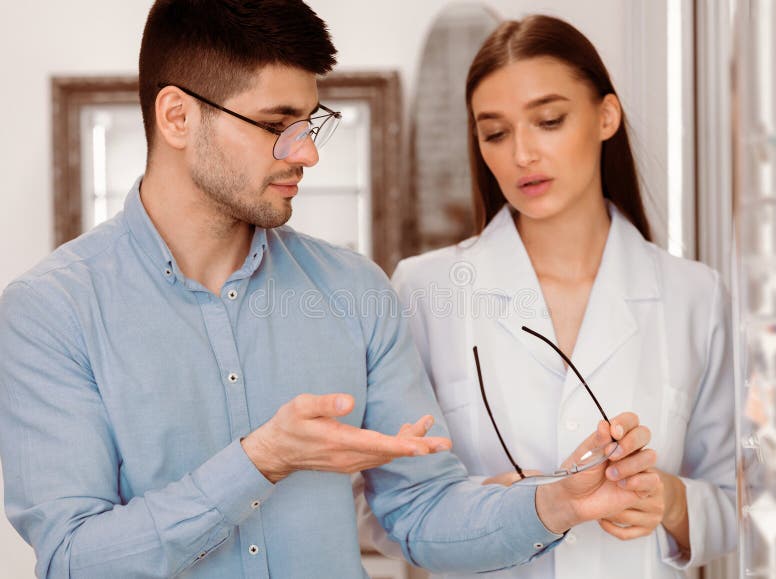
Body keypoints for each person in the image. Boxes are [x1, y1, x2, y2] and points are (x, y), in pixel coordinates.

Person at [0, 3, 659, 578]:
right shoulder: (51, 313)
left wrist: (561, 501)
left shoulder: (356, 291)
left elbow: (420, 512)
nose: (307, 153)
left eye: (311, 123)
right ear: (177, 116)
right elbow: (71, 558)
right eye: (276, 123)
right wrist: (260, 460)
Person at [366, 13, 736, 579]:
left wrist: (672, 500)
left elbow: (748, 501)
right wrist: (481, 514)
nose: (522, 155)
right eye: (495, 132)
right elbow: (374, 508)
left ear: (605, 116)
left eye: (549, 120)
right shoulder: (425, 290)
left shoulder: (695, 296)